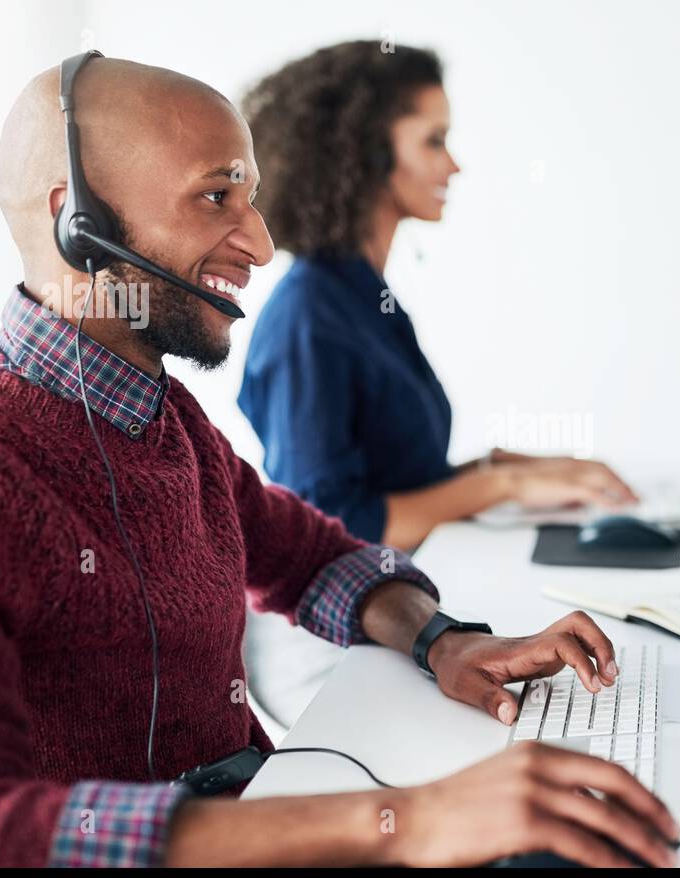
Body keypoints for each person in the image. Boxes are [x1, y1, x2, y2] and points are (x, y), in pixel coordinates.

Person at [0, 54, 678, 868]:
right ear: (77, 221)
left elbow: (312, 556)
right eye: (216, 197)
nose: (262, 245)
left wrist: (444, 642)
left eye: (252, 199)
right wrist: (402, 822)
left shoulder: (164, 420)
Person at [238, 41, 638, 550]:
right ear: (367, 154)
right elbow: (329, 522)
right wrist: (501, 485)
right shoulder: (308, 315)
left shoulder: (363, 294)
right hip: (356, 627)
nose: (454, 166)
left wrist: (511, 469)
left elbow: (404, 481)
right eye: (434, 141)